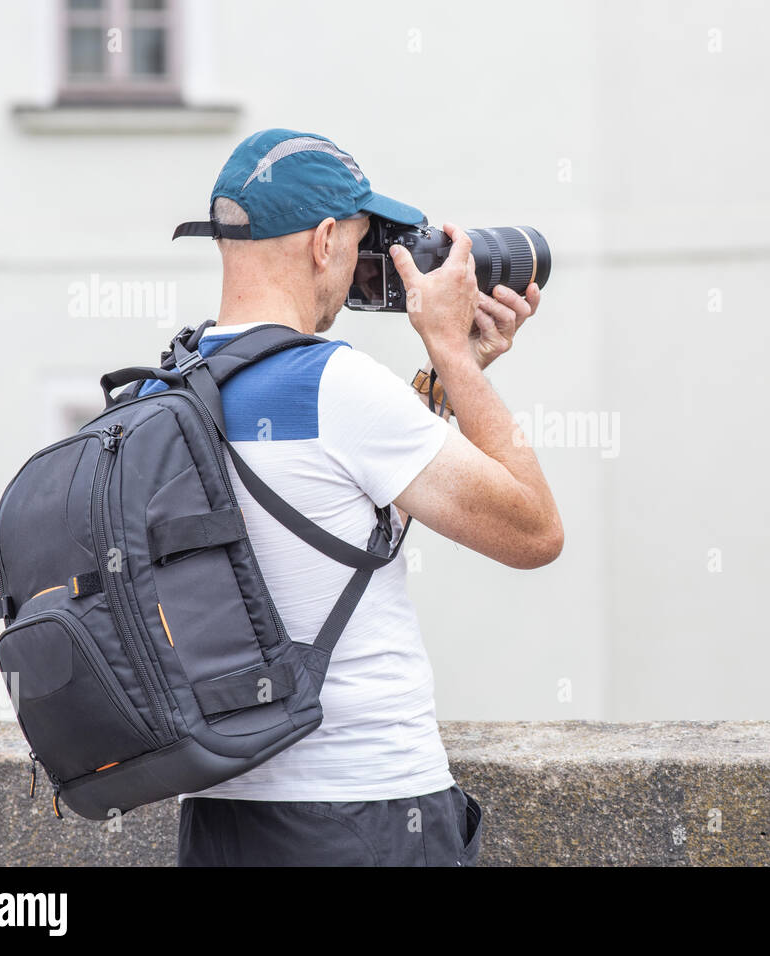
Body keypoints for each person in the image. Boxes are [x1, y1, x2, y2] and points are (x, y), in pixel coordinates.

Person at [160, 128, 563, 866]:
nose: (357, 267)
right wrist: (451, 354)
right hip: (368, 813)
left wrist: (451, 374)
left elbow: (350, 524)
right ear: (321, 242)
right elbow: (534, 532)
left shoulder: (170, 394)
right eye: (356, 241)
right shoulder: (336, 384)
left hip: (221, 819)